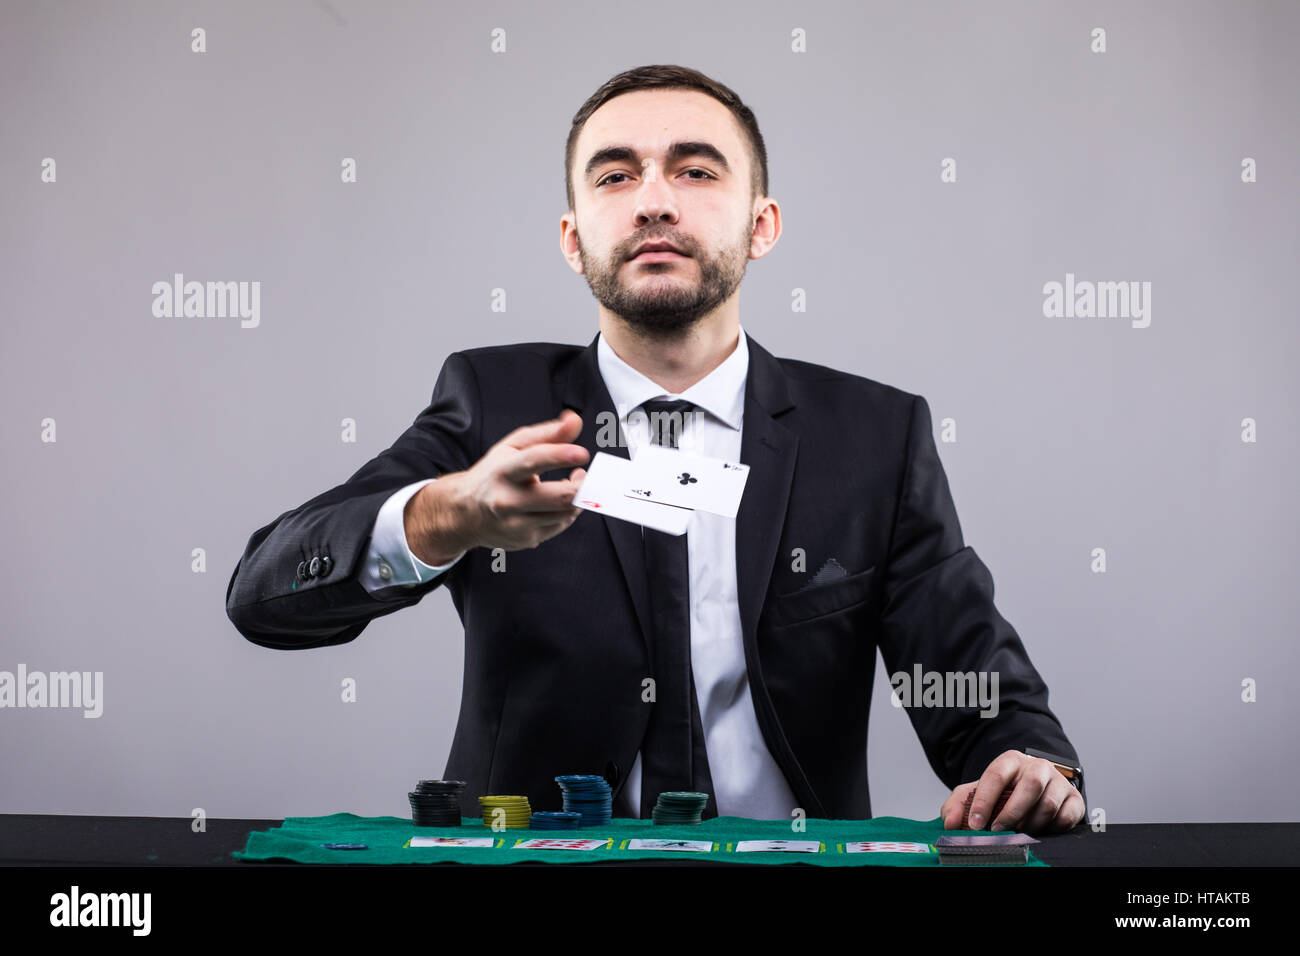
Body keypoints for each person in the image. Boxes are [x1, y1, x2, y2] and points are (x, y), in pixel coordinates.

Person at [226, 64, 1086, 835]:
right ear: (573, 239)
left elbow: (972, 685)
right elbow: (263, 592)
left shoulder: (873, 436)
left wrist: (1031, 764)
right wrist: (447, 514)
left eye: (696, 170)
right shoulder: (493, 404)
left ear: (763, 225)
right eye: (615, 175)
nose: (654, 200)